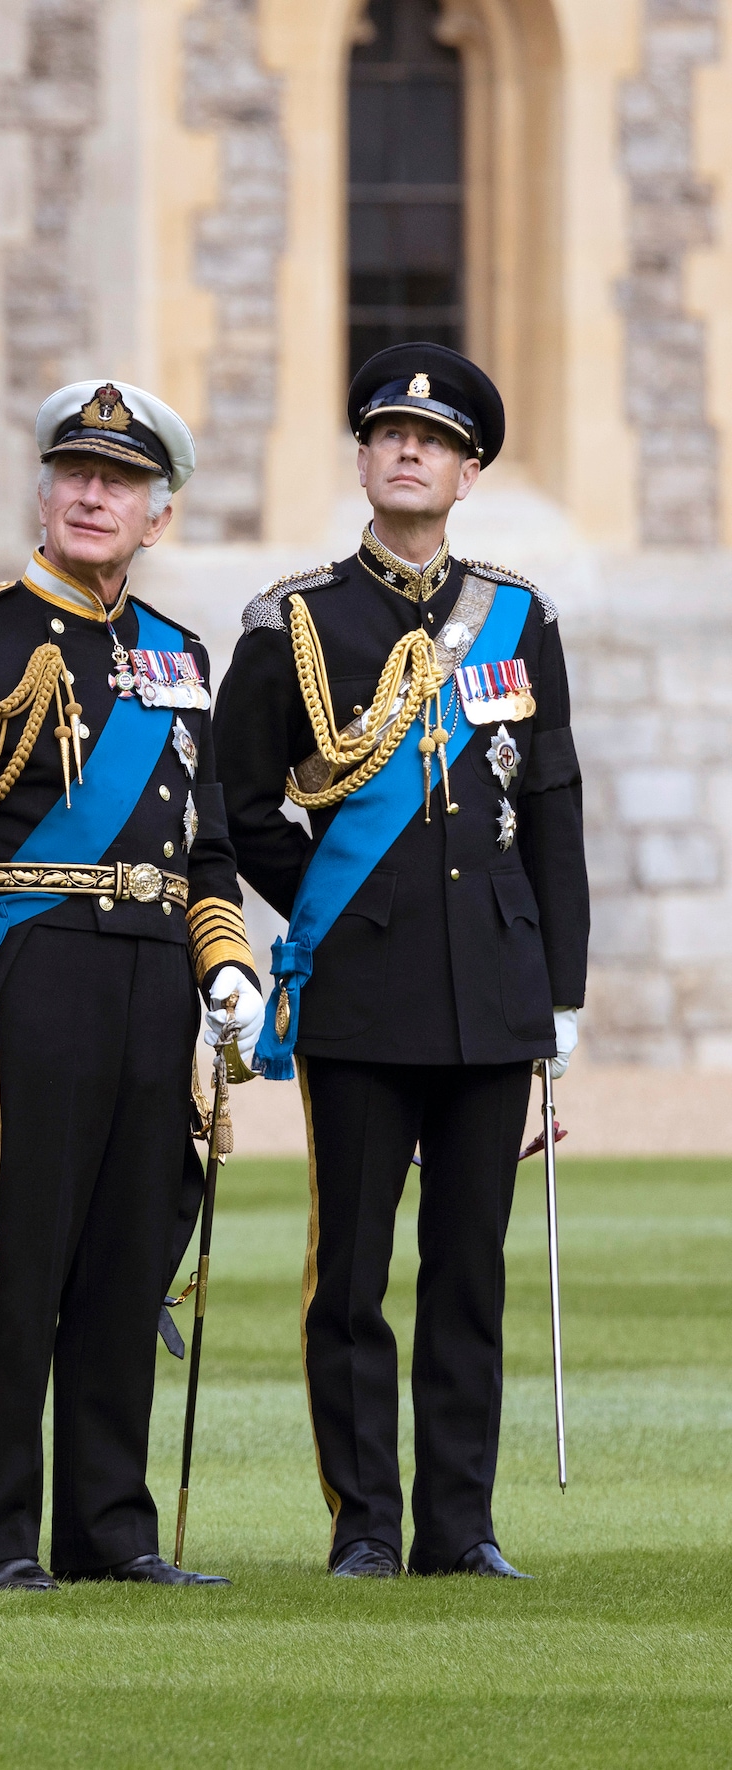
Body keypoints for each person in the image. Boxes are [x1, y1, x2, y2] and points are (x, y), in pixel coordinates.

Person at [212, 344, 587, 1580]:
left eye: (432, 440)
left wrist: (559, 992)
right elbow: (239, 806)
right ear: (363, 460)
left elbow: (550, 806)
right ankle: (363, 1523)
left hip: (489, 986)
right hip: (360, 986)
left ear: (468, 473)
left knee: (466, 1274)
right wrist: (330, 903)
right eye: (385, 435)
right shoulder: (297, 619)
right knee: (353, 1277)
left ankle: (458, 1526)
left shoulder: (517, 618)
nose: (407, 450)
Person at [0, 380, 259, 1592]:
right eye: (73, 474)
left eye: (117, 484)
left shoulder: (179, 656)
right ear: (41, 490)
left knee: (130, 1257)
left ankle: (111, 1530)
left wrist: (223, 963)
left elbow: (208, 845)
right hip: (35, 974)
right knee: (20, 1261)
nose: (90, 495)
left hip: (149, 981)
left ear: (153, 518)